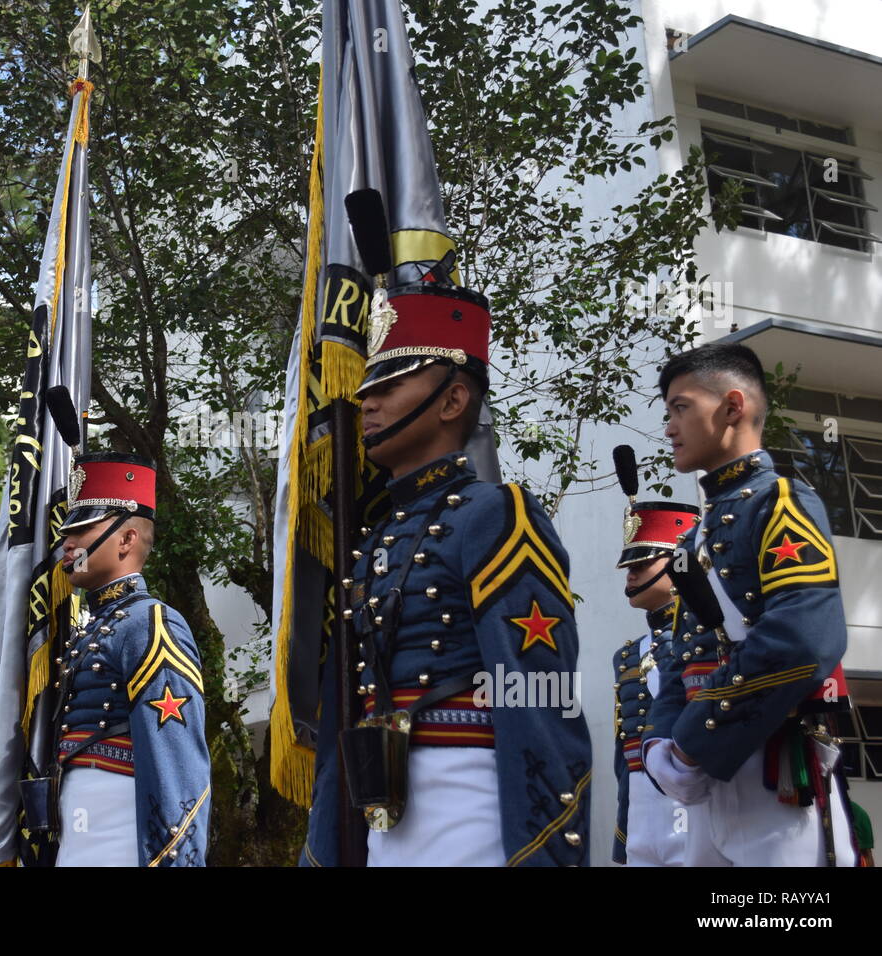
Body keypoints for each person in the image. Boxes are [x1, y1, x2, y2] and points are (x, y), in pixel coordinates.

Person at [300, 278, 592, 866]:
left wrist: (541, 849)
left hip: (472, 808)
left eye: (390, 383)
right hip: (383, 814)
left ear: (453, 401)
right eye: (368, 387)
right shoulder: (375, 534)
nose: (367, 402)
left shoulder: (496, 515)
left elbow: (537, 694)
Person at [643, 341, 857, 866]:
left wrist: (694, 739)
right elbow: (681, 653)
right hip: (706, 780)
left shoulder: (780, 501)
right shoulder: (696, 534)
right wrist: (661, 742)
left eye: (680, 407)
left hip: (775, 775)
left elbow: (804, 638)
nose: (668, 426)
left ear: (733, 407)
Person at [49, 452, 210, 866]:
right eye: (68, 532)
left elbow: (178, 768)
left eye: (83, 529)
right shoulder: (89, 629)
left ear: (126, 540)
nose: (68, 545)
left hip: (123, 839)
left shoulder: (149, 623)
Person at [609, 446, 698, 865]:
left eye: (643, 561)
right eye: (629, 563)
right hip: (645, 820)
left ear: (679, 565)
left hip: (696, 799)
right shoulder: (627, 656)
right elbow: (624, 757)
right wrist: (623, 835)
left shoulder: (708, 639)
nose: (631, 573)